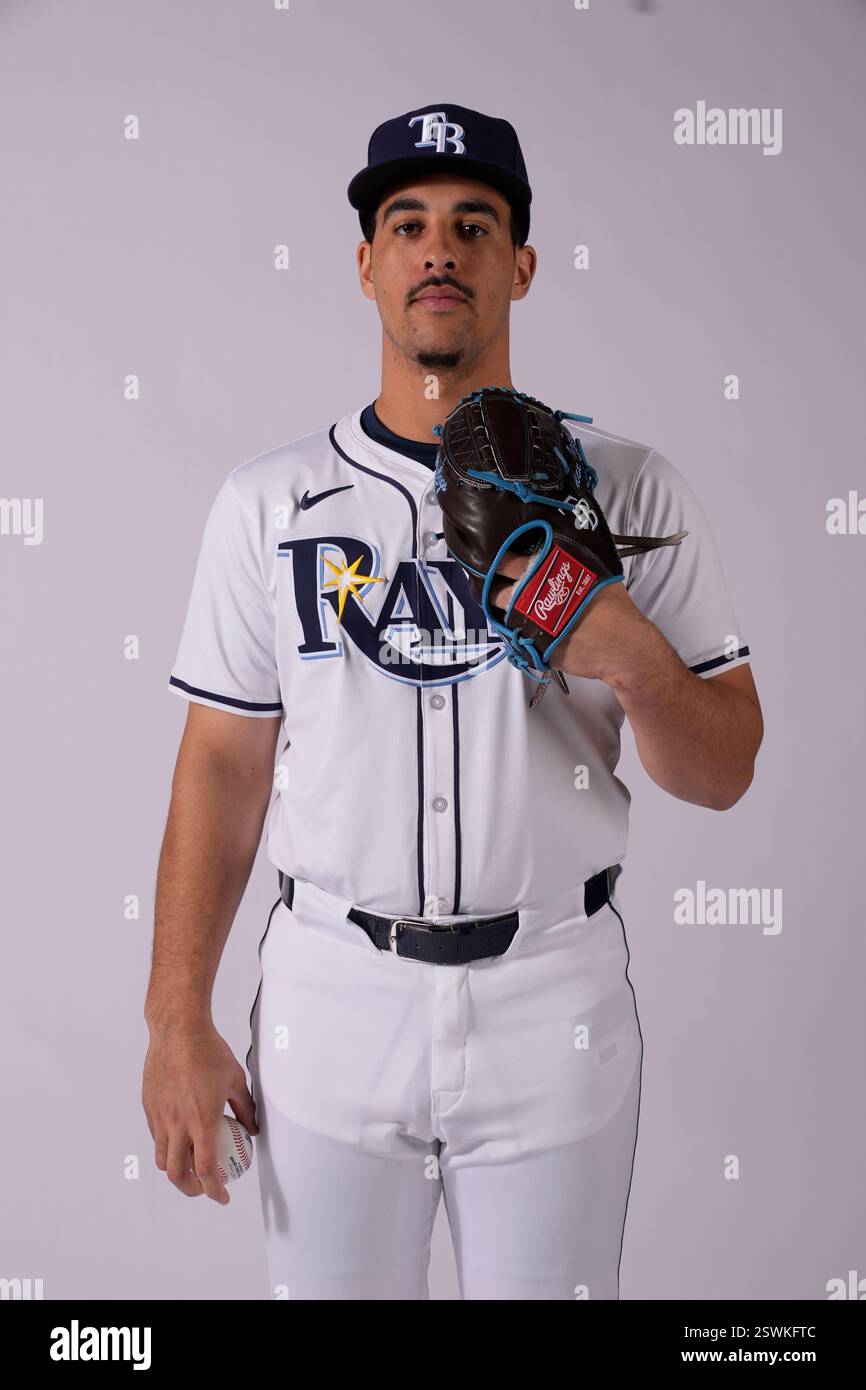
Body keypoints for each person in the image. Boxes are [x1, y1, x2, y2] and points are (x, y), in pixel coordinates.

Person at [142, 103, 763, 1300]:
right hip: (332, 992)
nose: (439, 250)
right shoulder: (271, 503)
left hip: (552, 993)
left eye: (473, 226)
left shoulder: (629, 489)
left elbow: (723, 769)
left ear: (518, 265)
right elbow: (220, 765)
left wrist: (631, 657)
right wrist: (176, 1014)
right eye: (407, 224)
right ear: (366, 263)